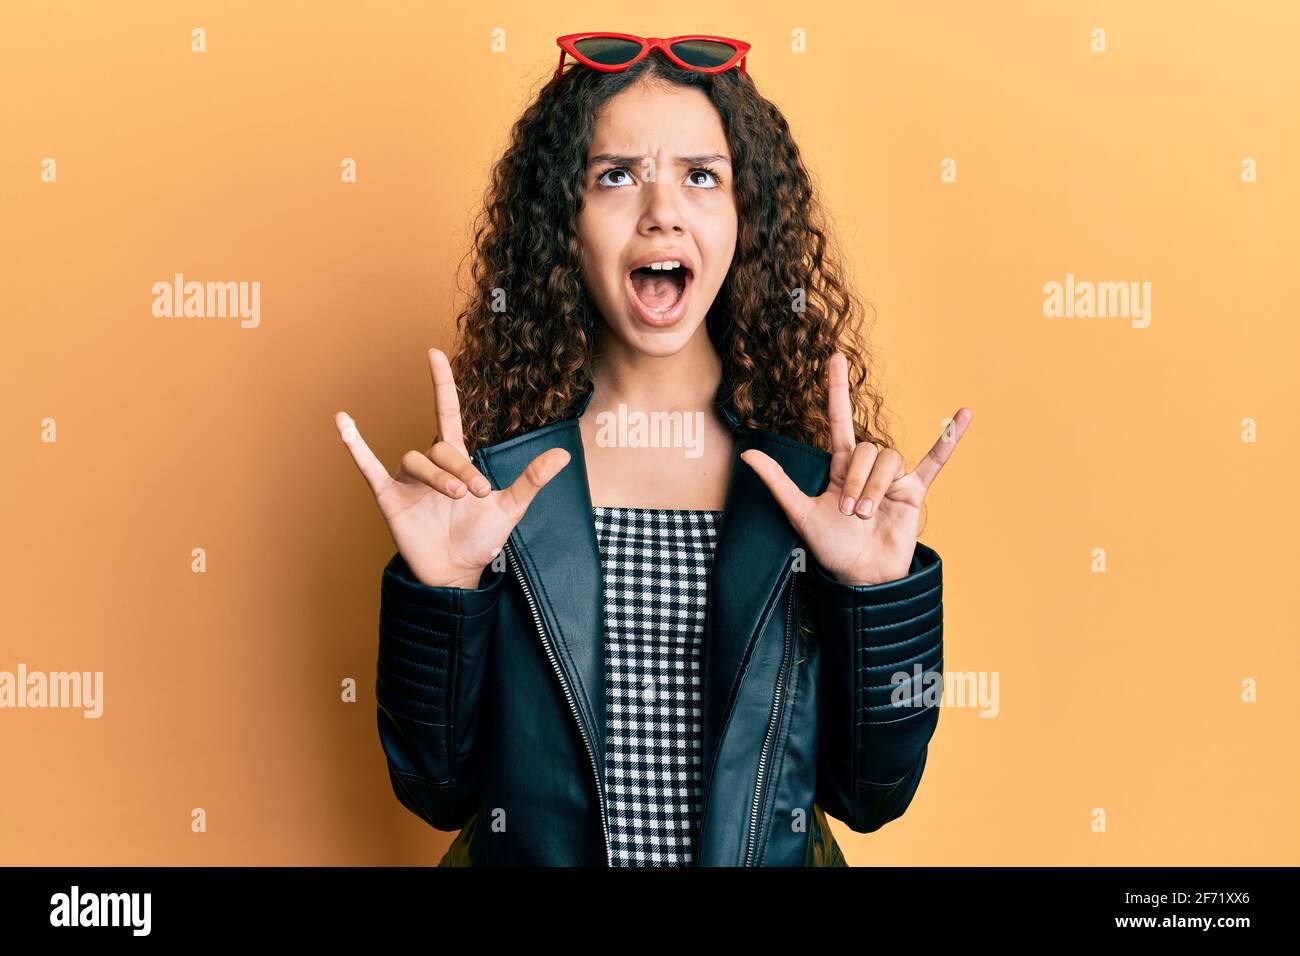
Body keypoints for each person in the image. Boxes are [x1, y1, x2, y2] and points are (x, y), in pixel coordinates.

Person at [335, 33, 972, 866]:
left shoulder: (818, 492)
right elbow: (436, 792)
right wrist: (444, 597)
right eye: (616, 175)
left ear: (749, 219)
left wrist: (875, 598)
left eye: (701, 176)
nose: (662, 210)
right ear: (564, 221)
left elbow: (874, 796)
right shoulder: (490, 494)